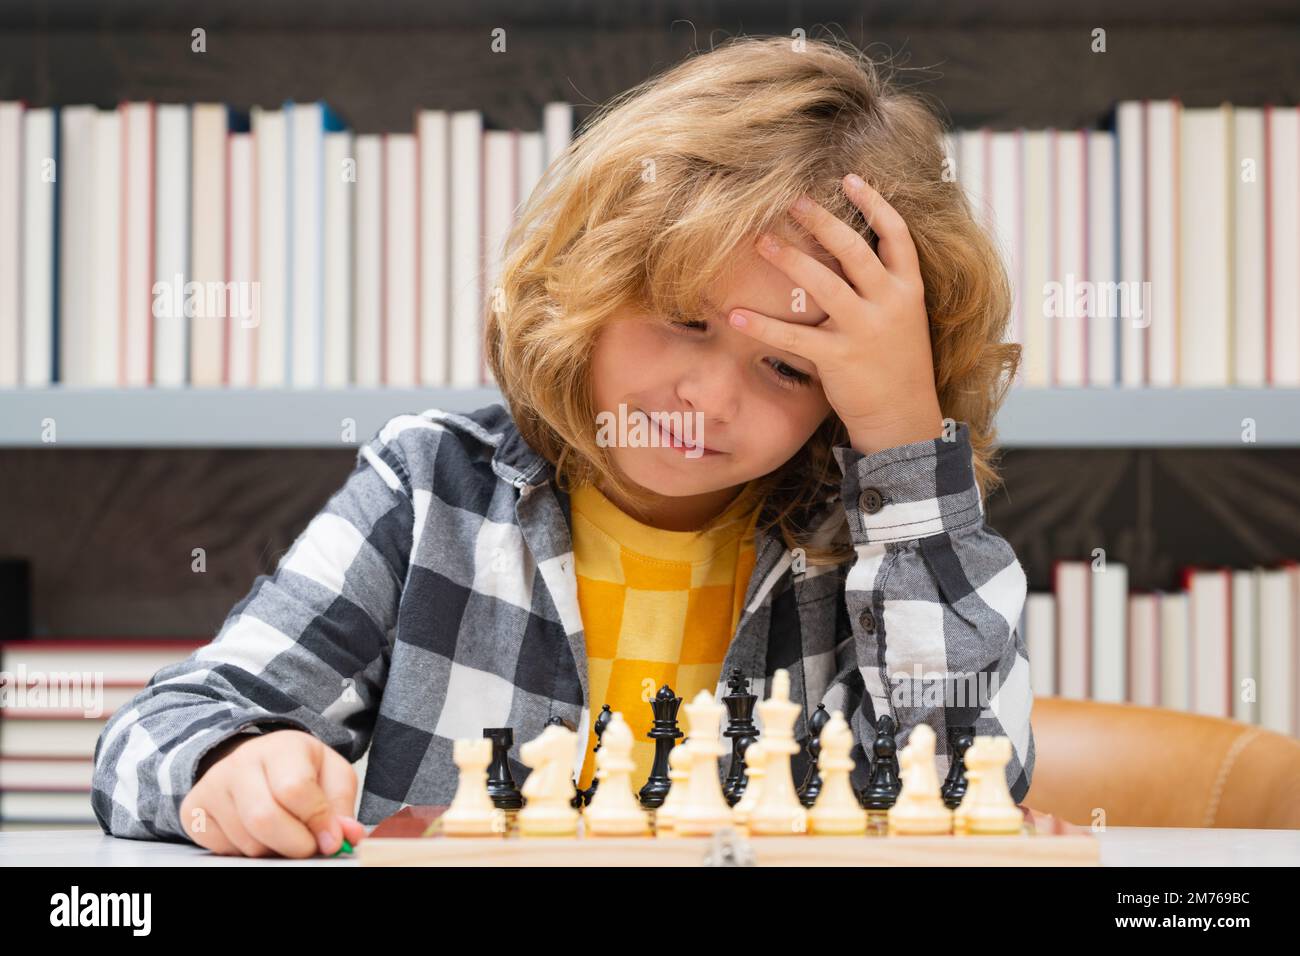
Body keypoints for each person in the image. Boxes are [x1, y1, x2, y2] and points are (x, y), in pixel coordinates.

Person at [92, 34, 1031, 857]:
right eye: (680, 319)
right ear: (588, 285)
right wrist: (230, 769)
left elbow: (965, 791)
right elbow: (156, 729)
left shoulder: (862, 540)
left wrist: (905, 447)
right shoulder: (431, 491)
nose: (708, 397)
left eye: (789, 368)